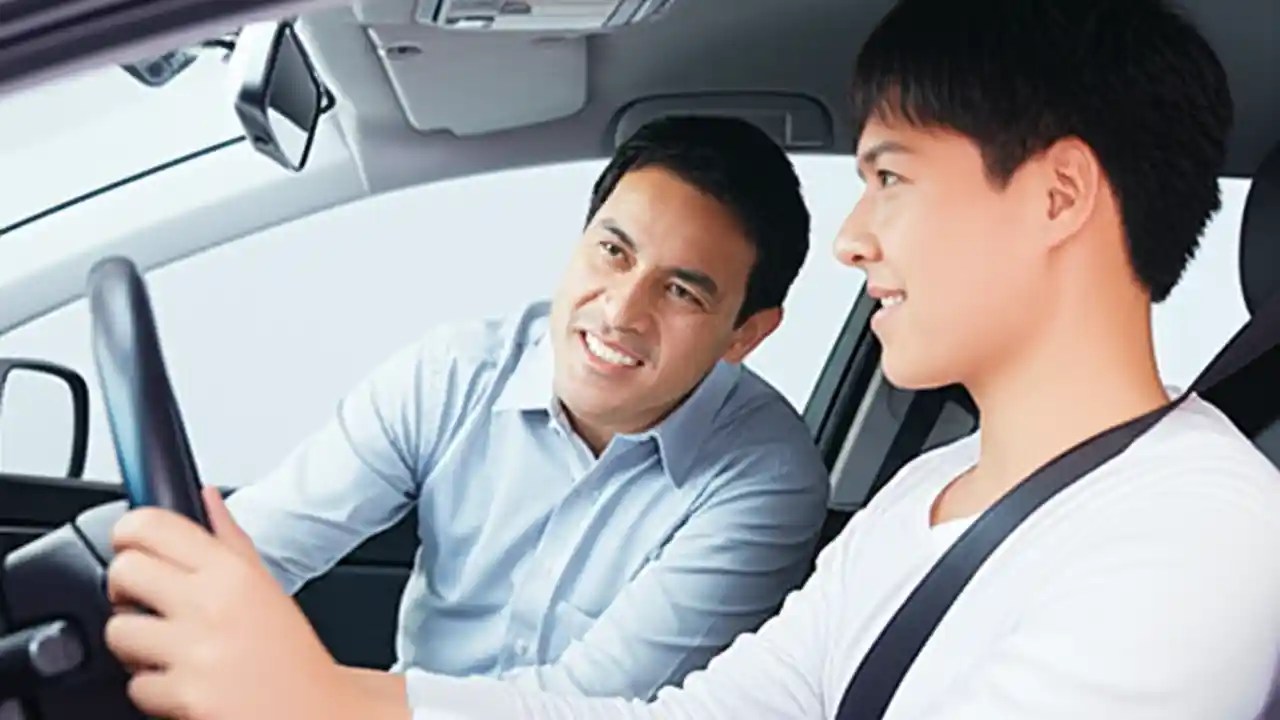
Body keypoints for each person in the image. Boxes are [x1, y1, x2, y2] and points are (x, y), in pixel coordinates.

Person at [101, 0, 1280, 718]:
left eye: (889, 179)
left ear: (1057, 195)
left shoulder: (1201, 533)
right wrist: (341, 708)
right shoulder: (926, 496)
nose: (855, 240)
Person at [212, 115, 831, 699]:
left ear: (744, 335)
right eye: (614, 253)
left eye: (679, 291)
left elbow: (580, 707)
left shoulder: (764, 478)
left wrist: (318, 697)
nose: (620, 313)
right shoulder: (454, 375)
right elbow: (251, 552)